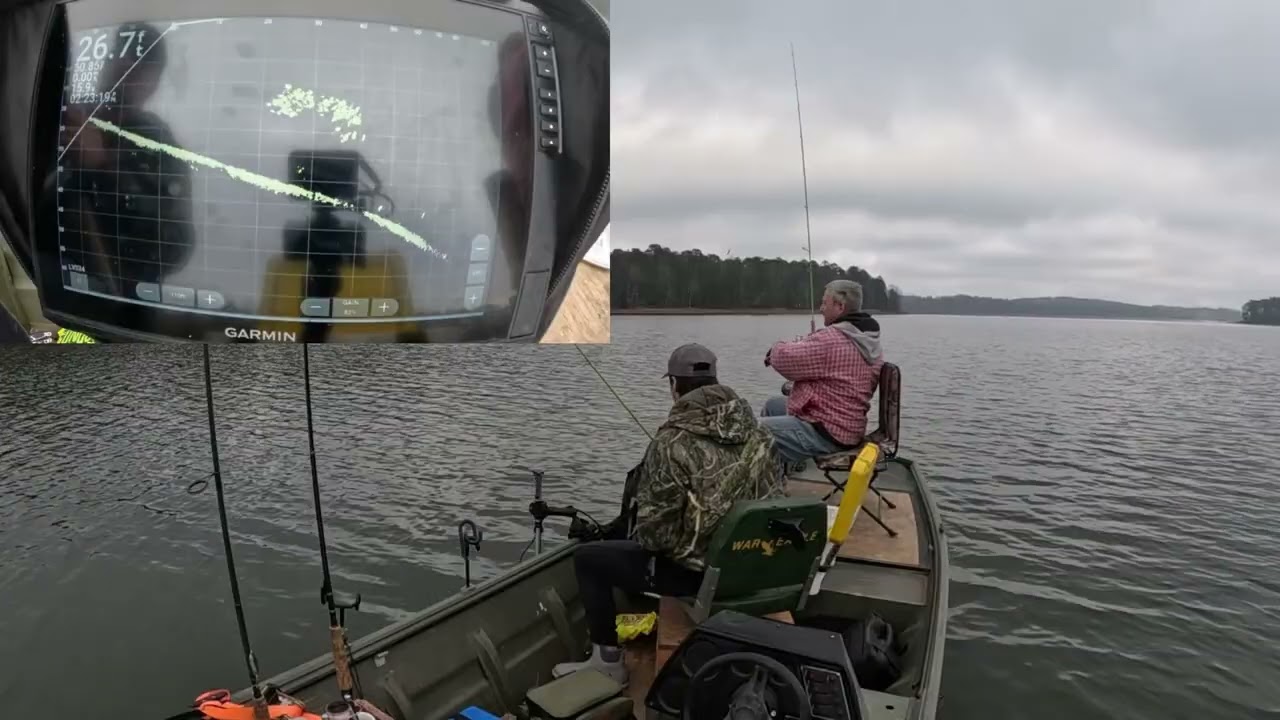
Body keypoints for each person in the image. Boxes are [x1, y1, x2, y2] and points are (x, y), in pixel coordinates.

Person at [552, 343, 784, 684]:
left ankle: (608, 662)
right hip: (754, 566)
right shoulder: (761, 434)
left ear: (675, 386)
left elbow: (654, 539)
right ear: (716, 381)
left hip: (697, 577)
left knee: (590, 559)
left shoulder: (670, 442)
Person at [760, 279, 884, 468]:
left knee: (751, 430)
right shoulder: (868, 341)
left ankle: (771, 487)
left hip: (826, 433)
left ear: (840, 306)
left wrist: (777, 347)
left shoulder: (833, 339)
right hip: (849, 427)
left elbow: (785, 359)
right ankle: (787, 466)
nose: (821, 308)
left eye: (825, 303)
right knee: (774, 405)